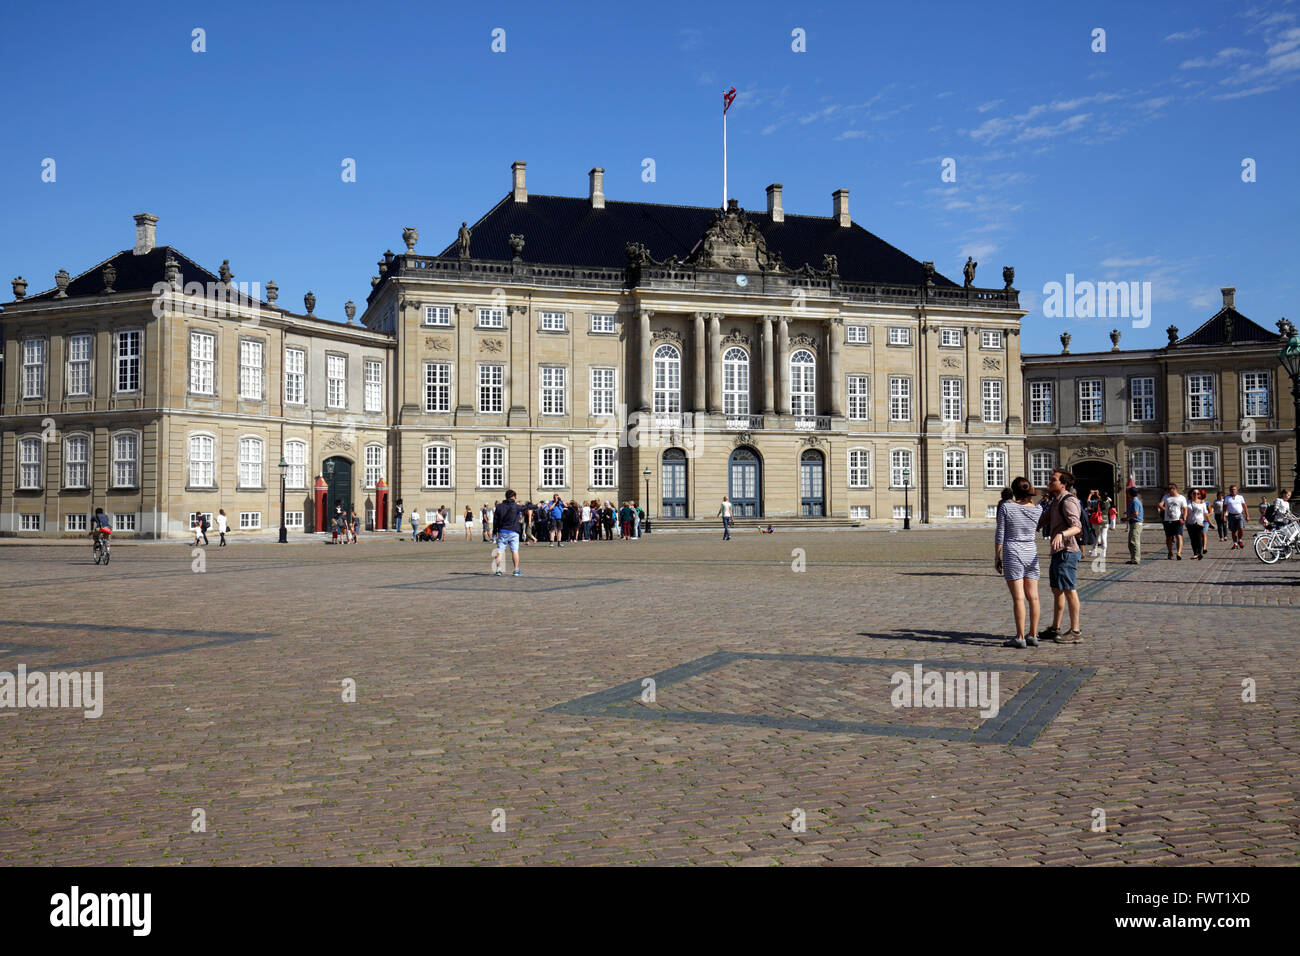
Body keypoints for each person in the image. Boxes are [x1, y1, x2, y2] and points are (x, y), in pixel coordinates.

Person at [995, 476, 1043, 648]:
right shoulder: (1037, 509)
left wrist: (996, 556)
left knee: (1019, 598)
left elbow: (1000, 533)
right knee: (1034, 597)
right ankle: (1033, 634)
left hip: (1013, 550)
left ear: (1014, 492)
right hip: (1031, 550)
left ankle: (1020, 637)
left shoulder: (1006, 507)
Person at [1037, 468, 1083, 644]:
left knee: (1069, 590)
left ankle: (1076, 631)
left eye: (1053, 480)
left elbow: (1076, 527)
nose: (1049, 482)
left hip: (1067, 552)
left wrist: (1061, 534)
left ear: (1063, 484)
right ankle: (1055, 628)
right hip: (1058, 552)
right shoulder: (1055, 502)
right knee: (1057, 590)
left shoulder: (1068, 501)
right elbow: (1042, 520)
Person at [492, 490, 524, 576]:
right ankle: (516, 570)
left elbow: (495, 521)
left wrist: (494, 531)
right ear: (513, 497)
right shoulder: (516, 506)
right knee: (515, 551)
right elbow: (526, 507)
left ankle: (498, 570)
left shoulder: (499, 507)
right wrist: (537, 505)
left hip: (502, 531)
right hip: (514, 531)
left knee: (500, 551)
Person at [1159, 483, 1188, 560]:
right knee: (1169, 537)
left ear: (1174, 489)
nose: (1167, 491)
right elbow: (1160, 504)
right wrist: (1165, 509)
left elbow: (1185, 509)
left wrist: (1184, 518)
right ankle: (1170, 552)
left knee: (1179, 536)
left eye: (1169, 489)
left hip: (1178, 520)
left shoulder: (1182, 498)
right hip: (1167, 520)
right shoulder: (1166, 497)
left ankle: (1179, 552)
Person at [1224, 484, 1249, 550]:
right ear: (1229, 491)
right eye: (1231, 490)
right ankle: (1235, 543)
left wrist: (1247, 515)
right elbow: (1224, 508)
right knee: (1233, 531)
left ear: (1236, 490)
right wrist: (1223, 516)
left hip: (1240, 515)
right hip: (1231, 515)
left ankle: (1240, 540)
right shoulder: (1227, 498)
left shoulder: (1240, 497)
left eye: (1234, 489)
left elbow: (1244, 506)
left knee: (1241, 528)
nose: (1233, 491)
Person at [1186, 489, 1209, 559]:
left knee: (1199, 538)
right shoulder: (1187, 502)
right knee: (1193, 539)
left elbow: (1205, 514)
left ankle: (1199, 553)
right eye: (1194, 493)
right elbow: (1184, 511)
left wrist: (1209, 522)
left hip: (1199, 523)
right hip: (1190, 523)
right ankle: (1195, 553)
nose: (1196, 495)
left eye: (1197, 493)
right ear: (1191, 494)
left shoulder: (1202, 503)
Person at [1124, 487, 1144, 564]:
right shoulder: (1134, 501)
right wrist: (1127, 513)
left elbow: (1136, 513)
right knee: (1131, 542)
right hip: (1134, 523)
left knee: (1134, 541)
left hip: (1136, 523)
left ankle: (1136, 559)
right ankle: (1133, 558)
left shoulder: (1135, 501)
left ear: (1130, 493)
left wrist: (1127, 518)